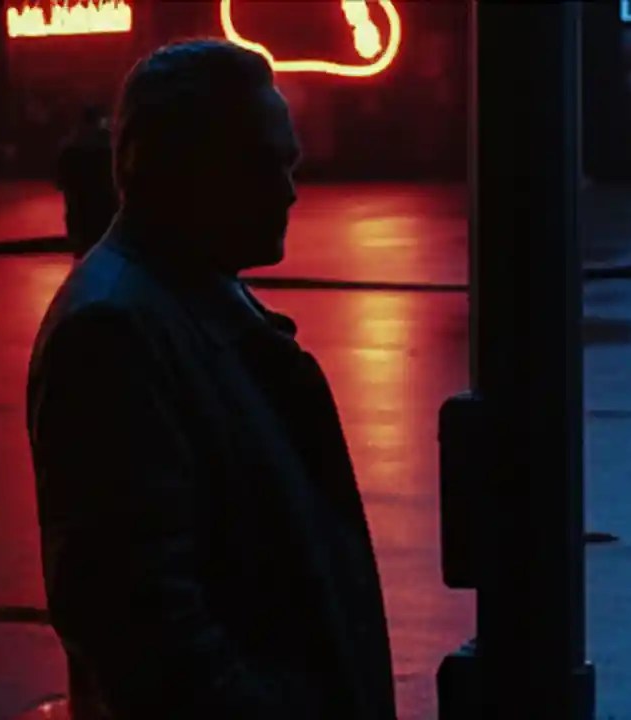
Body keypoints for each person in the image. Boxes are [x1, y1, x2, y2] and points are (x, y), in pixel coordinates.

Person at [26, 40, 395, 720]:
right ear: (178, 170)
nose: (289, 190)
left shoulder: (178, 299)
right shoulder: (114, 331)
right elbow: (142, 624)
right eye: (264, 163)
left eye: (291, 163)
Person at [57, 105, 118, 259]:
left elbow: (64, 175)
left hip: (81, 198)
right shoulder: (106, 142)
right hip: (100, 198)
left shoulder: (73, 142)